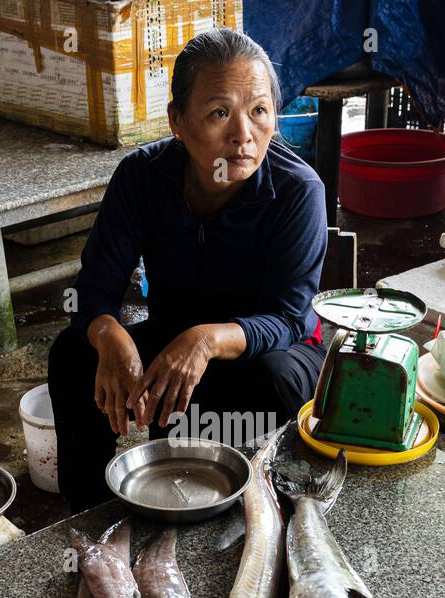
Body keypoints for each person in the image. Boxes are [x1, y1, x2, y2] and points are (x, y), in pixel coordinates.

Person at [47, 27, 328, 512]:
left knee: (265, 379)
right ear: (178, 121)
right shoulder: (143, 177)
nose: (244, 134)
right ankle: (89, 513)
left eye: (259, 111)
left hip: (274, 350)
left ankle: (256, 508)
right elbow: (93, 290)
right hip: (175, 336)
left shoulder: (298, 191)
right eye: (220, 112)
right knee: (74, 353)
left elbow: (289, 317)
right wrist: (108, 331)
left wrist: (206, 340)